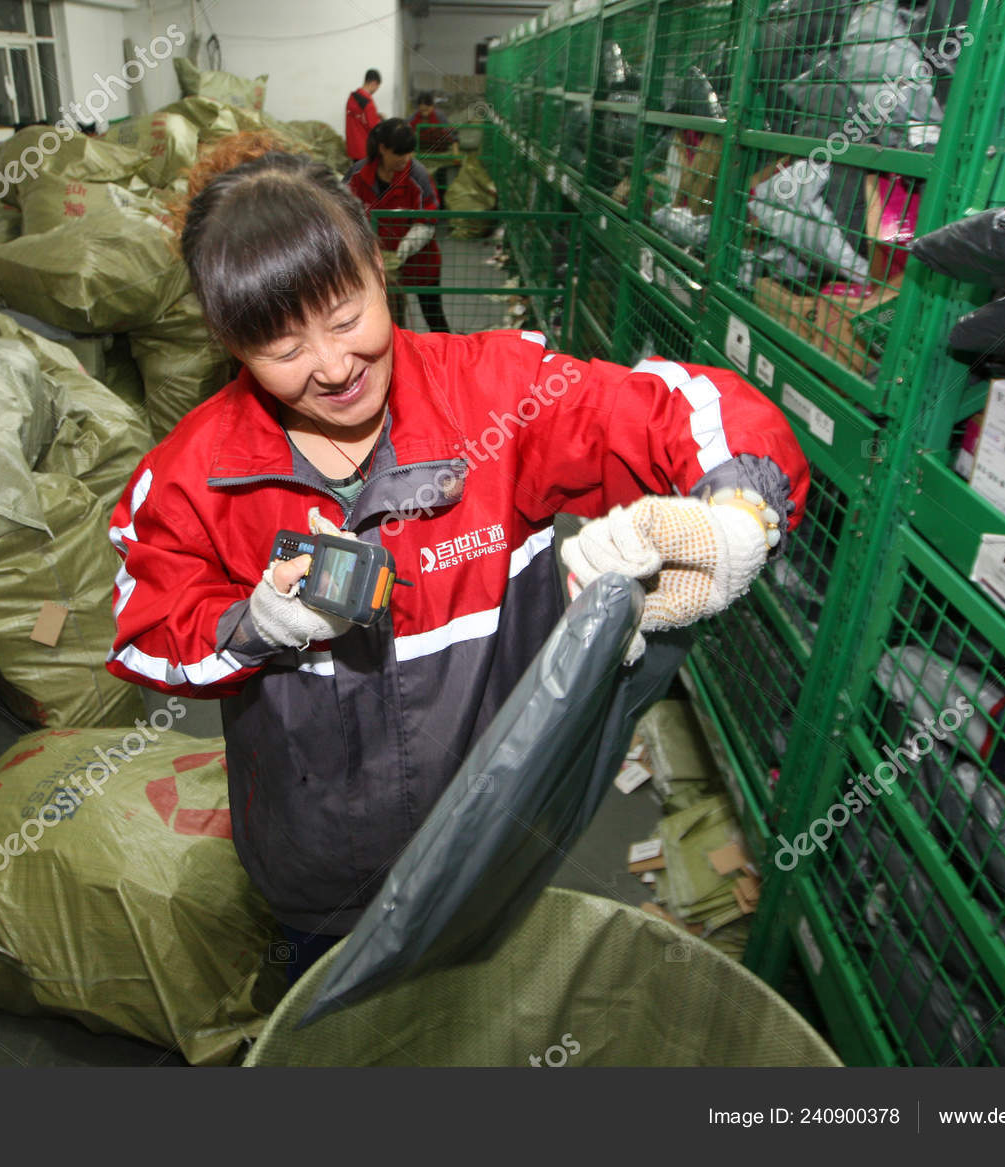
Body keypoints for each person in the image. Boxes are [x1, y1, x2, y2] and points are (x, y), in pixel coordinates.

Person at [104, 143, 809, 984]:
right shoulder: (191, 474)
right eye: (282, 347)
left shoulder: (503, 398)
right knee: (340, 1037)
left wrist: (739, 510)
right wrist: (249, 626)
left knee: (480, 1024)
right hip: (320, 876)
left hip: (496, 851)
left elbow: (677, 408)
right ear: (228, 339)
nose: (332, 368)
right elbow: (145, 629)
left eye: (342, 315)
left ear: (379, 261)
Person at [346, 118, 450, 334]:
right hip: (375, 265)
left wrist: (404, 249)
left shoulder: (417, 175)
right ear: (383, 148)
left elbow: (428, 219)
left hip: (419, 262)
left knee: (434, 316)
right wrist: (367, 249)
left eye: (410, 152)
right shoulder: (358, 175)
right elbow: (341, 212)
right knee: (390, 319)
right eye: (400, 153)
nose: (407, 159)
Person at [344, 68, 382, 161]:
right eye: (377, 87)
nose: (376, 90)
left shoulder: (352, 97)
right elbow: (374, 127)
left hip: (352, 148)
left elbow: (359, 118)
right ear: (374, 83)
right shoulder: (368, 103)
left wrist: (376, 115)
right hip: (364, 150)